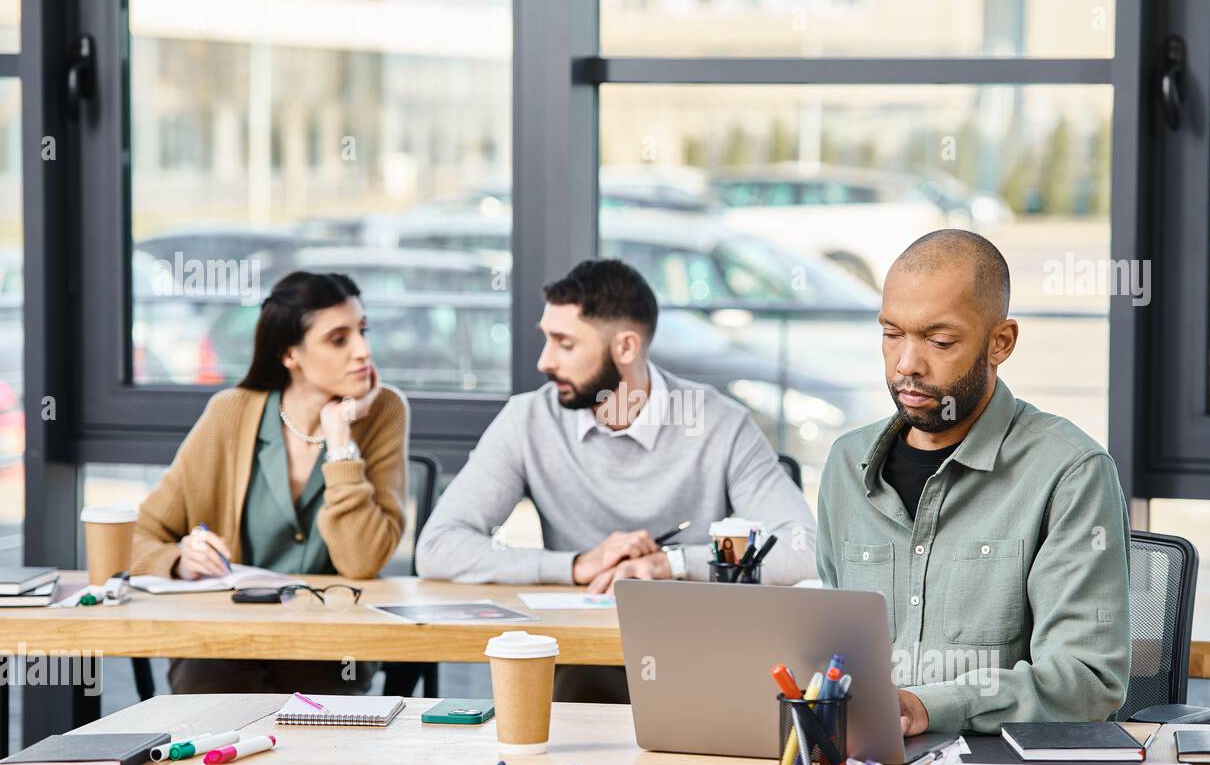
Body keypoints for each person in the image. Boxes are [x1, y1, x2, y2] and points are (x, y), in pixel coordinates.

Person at [416, 258, 817, 701]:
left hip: (696, 649)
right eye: (546, 340)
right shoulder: (527, 419)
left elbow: (804, 549)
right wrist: (574, 565)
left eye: (564, 344)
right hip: (580, 654)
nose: (544, 362)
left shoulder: (720, 423)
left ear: (626, 347)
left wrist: (674, 565)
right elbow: (437, 548)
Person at [816, 229, 1131, 736]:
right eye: (891, 333)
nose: (906, 365)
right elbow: (832, 652)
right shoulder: (846, 465)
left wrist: (930, 706)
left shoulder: (1070, 471)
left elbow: (1087, 680)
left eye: (939, 341)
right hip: (867, 763)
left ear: (1000, 342)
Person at [131, 270, 409, 695]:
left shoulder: (384, 411)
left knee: (315, 726)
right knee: (212, 701)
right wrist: (179, 561)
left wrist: (339, 439)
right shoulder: (231, 413)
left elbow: (361, 560)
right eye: (339, 339)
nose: (363, 351)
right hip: (225, 645)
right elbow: (137, 536)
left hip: (327, 651)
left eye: (362, 331)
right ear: (289, 355)